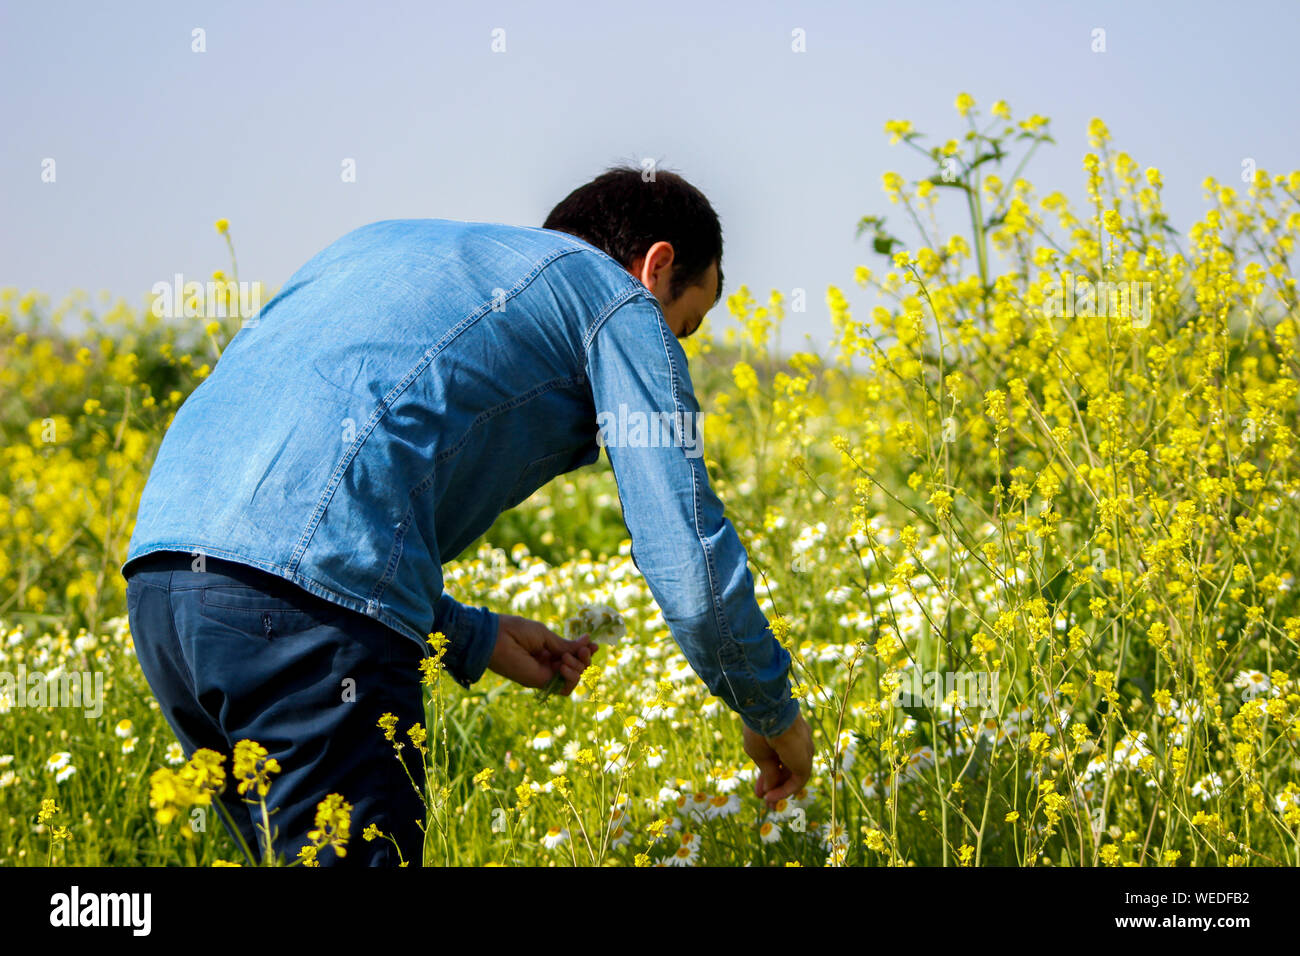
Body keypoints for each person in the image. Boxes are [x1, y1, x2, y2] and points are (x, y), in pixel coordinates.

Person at [122, 165, 814, 867]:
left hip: (162, 585)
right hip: (307, 617)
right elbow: (688, 563)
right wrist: (770, 711)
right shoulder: (616, 297)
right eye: (683, 326)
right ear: (655, 267)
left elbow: (300, 508)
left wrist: (468, 634)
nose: (673, 345)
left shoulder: (377, 245)